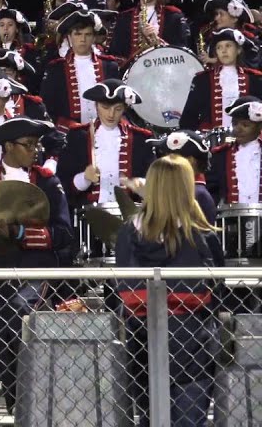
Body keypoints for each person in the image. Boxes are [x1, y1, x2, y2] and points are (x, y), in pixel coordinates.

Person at [0, 117, 75, 412]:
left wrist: (22, 233)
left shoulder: (48, 182)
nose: (36, 150)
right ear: (8, 147)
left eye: (37, 144)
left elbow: (64, 235)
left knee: (22, 321)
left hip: (36, 269)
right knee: (3, 338)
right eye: (29, 145)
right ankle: (19, 406)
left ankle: (33, 404)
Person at [115, 155, 222, 427]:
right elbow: (215, 291)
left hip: (142, 348)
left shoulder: (128, 233)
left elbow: (122, 290)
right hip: (194, 350)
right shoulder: (201, 234)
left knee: (150, 419)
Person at [58, 80, 155, 208]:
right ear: (96, 105)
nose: (111, 114)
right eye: (105, 107)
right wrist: (84, 178)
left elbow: (155, 184)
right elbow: (62, 183)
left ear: (125, 108)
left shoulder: (140, 139)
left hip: (131, 217)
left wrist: (140, 186)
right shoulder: (78, 136)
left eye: (118, 109)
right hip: (91, 216)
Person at [41, 8, 122, 129]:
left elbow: (118, 102)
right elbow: (48, 106)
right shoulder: (56, 68)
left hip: (103, 130)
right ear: (70, 37)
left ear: (94, 37)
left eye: (88, 34)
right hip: (68, 133)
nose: (82, 39)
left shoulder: (109, 66)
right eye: (78, 34)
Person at [180, 28, 262, 130]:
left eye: (228, 46)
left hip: (246, 139)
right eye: (219, 47)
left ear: (238, 50)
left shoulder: (254, 79)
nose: (224, 51)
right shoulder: (202, 80)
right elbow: (189, 116)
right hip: (211, 140)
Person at [108, 0, 189, 61]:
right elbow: (116, 53)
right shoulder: (124, 18)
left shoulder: (173, 16)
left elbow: (182, 53)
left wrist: (158, 41)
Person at [206, 96, 262, 205]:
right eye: (235, 123)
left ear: (259, 127)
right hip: (230, 219)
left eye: (245, 125)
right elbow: (211, 191)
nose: (238, 129)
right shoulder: (220, 156)